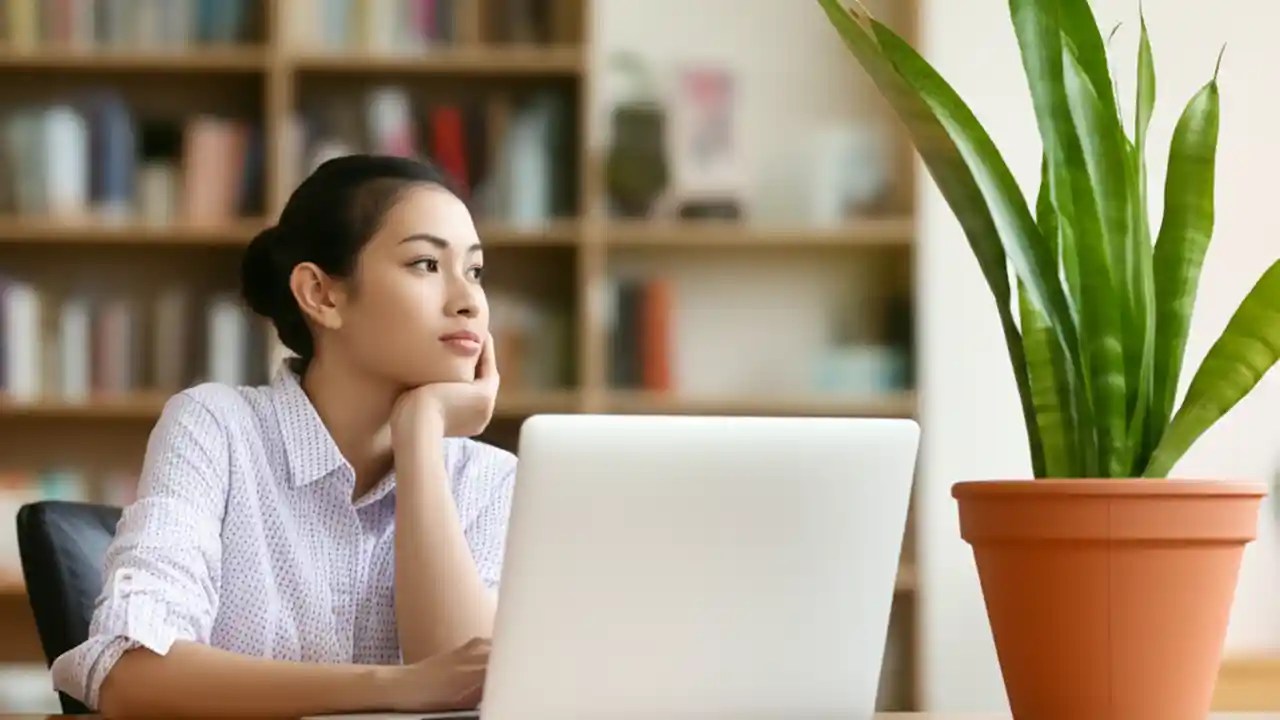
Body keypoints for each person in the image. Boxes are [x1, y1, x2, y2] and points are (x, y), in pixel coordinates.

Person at [50, 154, 516, 717]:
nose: (468, 301)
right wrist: (392, 686)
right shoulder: (216, 428)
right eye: (424, 264)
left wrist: (420, 435)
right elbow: (129, 674)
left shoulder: (491, 480)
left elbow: (469, 690)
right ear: (321, 294)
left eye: (474, 270)